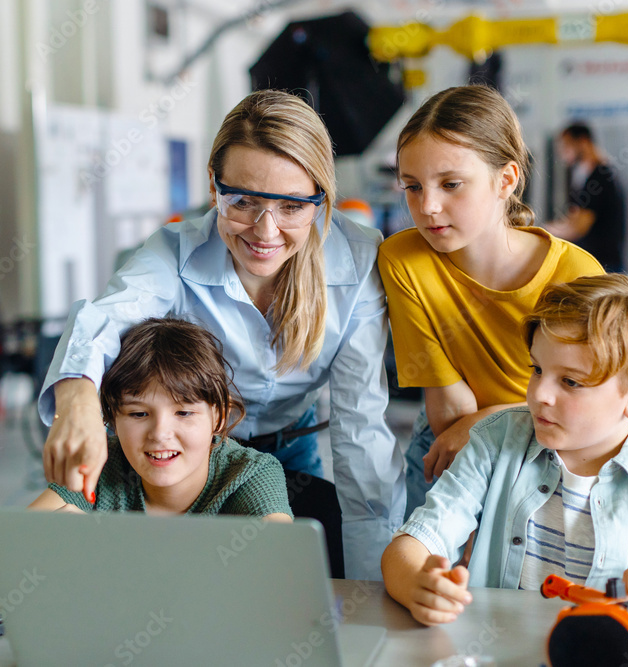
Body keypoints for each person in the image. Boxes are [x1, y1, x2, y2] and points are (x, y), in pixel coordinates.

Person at [38, 89, 402, 579]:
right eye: (243, 202)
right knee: (176, 575)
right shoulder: (176, 251)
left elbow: (361, 431)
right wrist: (78, 402)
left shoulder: (357, 262)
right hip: (187, 446)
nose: (265, 230)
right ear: (215, 188)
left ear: (322, 200)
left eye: (293, 207)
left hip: (290, 445)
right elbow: (106, 317)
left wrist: (372, 585)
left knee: (277, 577)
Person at [381, 274, 628, 626]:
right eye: (537, 369)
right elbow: (408, 547)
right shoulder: (496, 441)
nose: (539, 394)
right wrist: (418, 584)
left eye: (571, 381)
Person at [377, 85, 604, 518]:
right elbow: (447, 406)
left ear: (506, 180)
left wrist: (490, 418)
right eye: (412, 186)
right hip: (448, 440)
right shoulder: (403, 259)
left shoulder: (575, 275)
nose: (427, 206)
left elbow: (590, 405)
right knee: (429, 573)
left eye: (451, 184)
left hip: (554, 444)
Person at [29, 318, 293, 520]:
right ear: (112, 419)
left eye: (184, 413)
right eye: (138, 414)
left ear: (219, 417)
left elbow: (282, 570)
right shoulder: (101, 467)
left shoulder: (250, 475)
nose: (159, 433)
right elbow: (6, 542)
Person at [546, 121, 627, 273]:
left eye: (567, 146)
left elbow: (578, 227)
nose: (563, 153)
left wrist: (544, 233)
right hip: (598, 263)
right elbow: (574, 218)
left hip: (603, 266)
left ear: (583, 142)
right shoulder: (586, 174)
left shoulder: (600, 176)